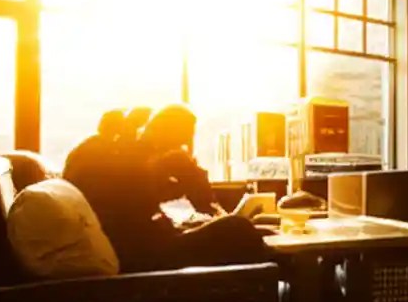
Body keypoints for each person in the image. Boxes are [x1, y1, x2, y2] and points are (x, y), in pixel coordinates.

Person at [63, 104, 267, 273]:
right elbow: (134, 207)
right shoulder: (129, 158)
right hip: (141, 256)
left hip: (141, 246)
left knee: (242, 231)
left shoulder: (126, 155)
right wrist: (182, 176)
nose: (184, 146)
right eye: (183, 139)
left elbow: (141, 206)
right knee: (238, 229)